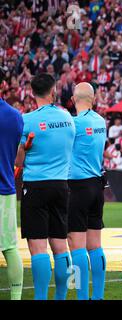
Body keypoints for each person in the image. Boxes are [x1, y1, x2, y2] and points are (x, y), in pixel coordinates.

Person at [18, 73, 75, 300]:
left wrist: (27, 147)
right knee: (60, 245)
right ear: (53, 92)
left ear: (32, 93)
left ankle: (40, 297)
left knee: (38, 248)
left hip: (35, 186)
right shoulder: (68, 119)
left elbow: (18, 161)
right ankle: (61, 297)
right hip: (61, 185)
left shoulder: (26, 120)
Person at [68, 82, 107, 300]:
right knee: (95, 245)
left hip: (77, 186)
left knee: (77, 244)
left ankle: (82, 296)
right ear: (93, 98)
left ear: (74, 99)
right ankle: (98, 296)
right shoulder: (101, 121)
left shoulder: (74, 124)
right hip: (96, 185)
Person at [0, 70, 24, 300]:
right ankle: (15, 297)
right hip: (4, 189)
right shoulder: (16, 117)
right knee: (8, 247)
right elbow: (18, 153)